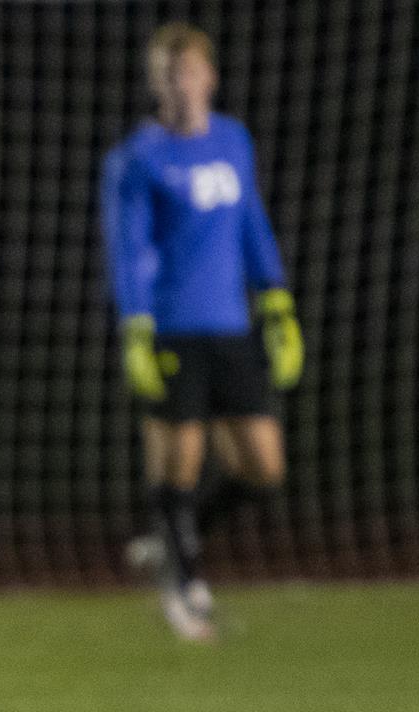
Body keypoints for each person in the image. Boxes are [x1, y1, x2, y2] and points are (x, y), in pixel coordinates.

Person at [102, 22, 305, 641]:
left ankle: (172, 544)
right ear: (155, 83)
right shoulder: (135, 158)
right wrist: (136, 328)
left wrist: (277, 304)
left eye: (188, 71)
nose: (180, 85)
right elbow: (127, 247)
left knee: (264, 465)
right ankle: (184, 589)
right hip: (170, 331)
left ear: (209, 77)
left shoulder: (233, 141)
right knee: (180, 465)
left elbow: (250, 224)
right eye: (168, 74)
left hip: (232, 327)